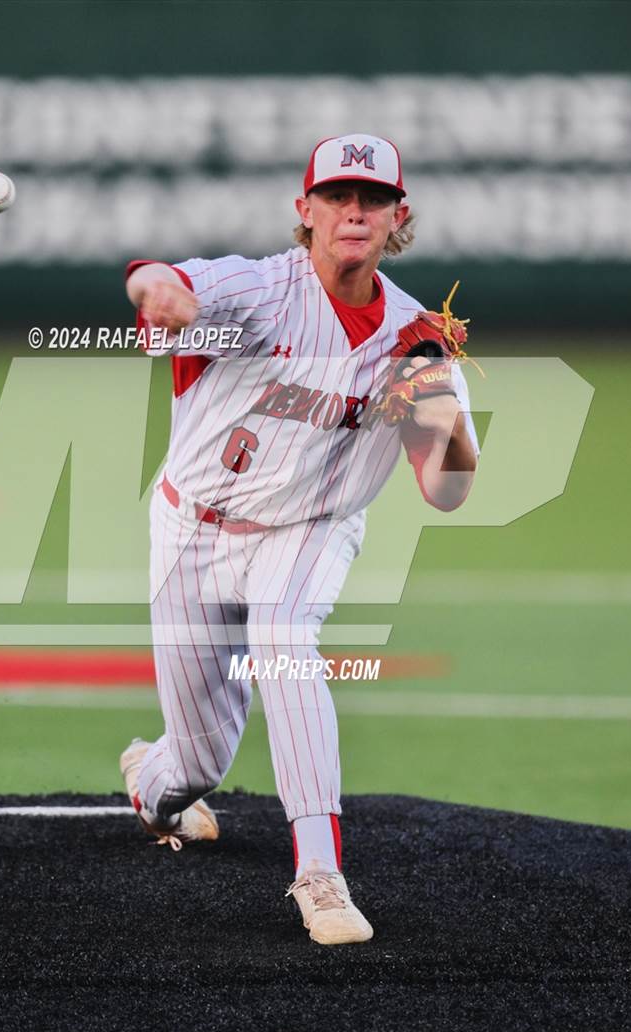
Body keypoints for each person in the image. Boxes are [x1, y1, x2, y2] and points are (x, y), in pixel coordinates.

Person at [120, 134, 478, 945]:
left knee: (285, 639)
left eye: (374, 199)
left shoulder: (415, 337)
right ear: (305, 211)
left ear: (399, 217)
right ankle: (152, 780)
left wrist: (446, 423)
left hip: (311, 528)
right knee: (197, 767)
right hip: (192, 529)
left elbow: (446, 492)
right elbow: (161, 279)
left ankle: (319, 873)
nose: (356, 211)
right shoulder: (257, 291)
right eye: (339, 196)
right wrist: (159, 293)